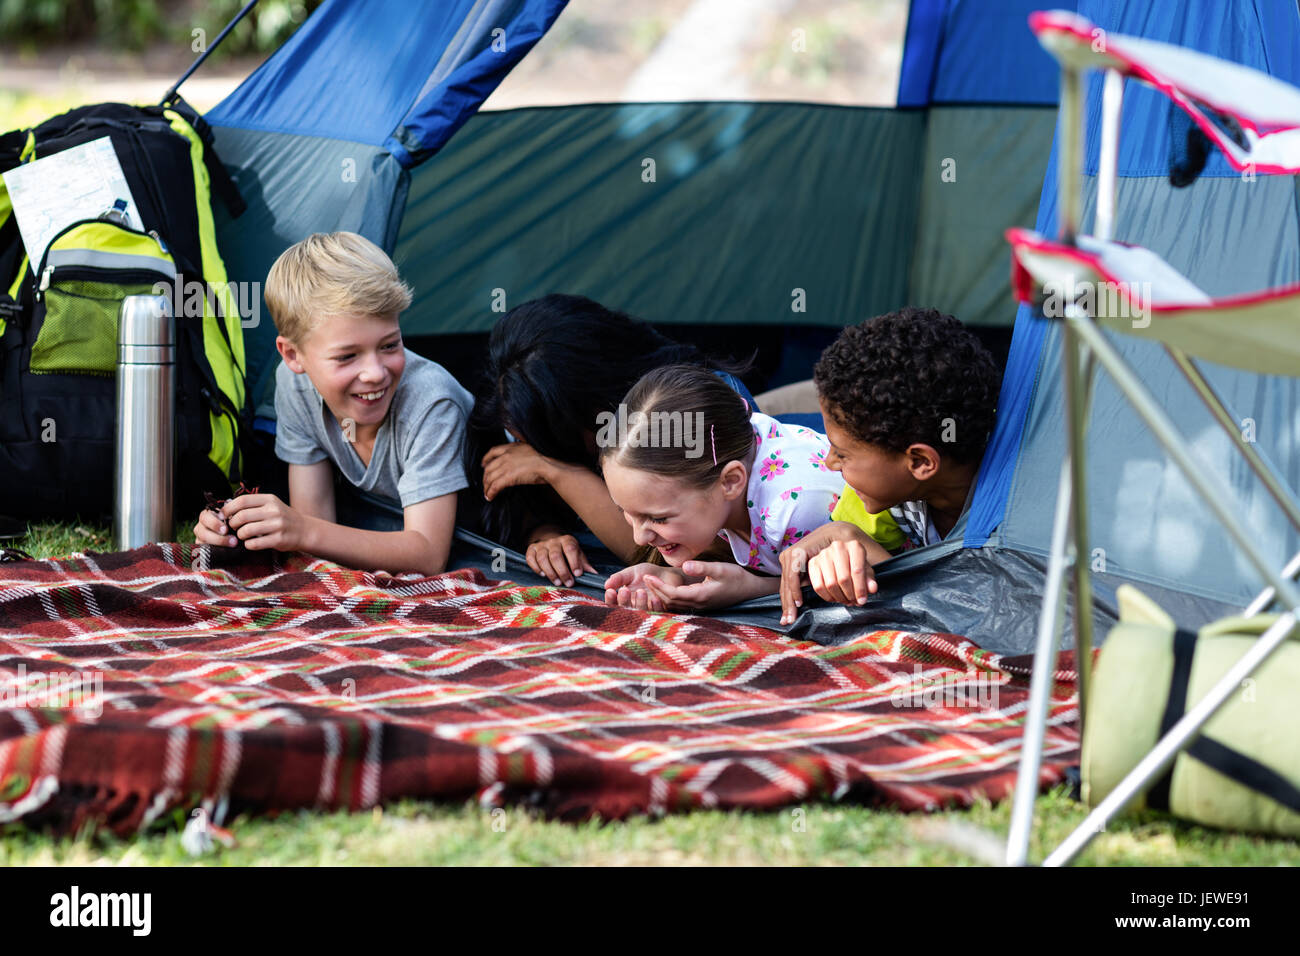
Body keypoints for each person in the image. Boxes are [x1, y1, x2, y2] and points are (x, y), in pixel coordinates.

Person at [193, 232, 472, 575]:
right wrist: (241, 529)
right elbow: (316, 528)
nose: (374, 373)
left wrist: (300, 530)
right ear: (293, 355)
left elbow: (428, 555)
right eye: (347, 356)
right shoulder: (295, 383)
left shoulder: (431, 401)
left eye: (389, 345)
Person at [462, 294, 753, 586]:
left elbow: (688, 554)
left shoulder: (699, 406)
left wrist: (559, 473)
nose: (520, 445)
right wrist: (543, 533)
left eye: (548, 442)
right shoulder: (529, 418)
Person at [777, 307, 1001, 624]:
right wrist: (841, 538)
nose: (829, 462)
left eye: (842, 453)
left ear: (921, 462)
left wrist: (853, 538)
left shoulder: (1016, 505)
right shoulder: (878, 497)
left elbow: (988, 612)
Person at [600, 365, 843, 612]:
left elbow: (853, 585)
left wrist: (750, 589)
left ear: (730, 481)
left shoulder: (795, 510)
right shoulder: (718, 446)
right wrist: (681, 578)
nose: (639, 538)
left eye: (659, 518)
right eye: (627, 512)